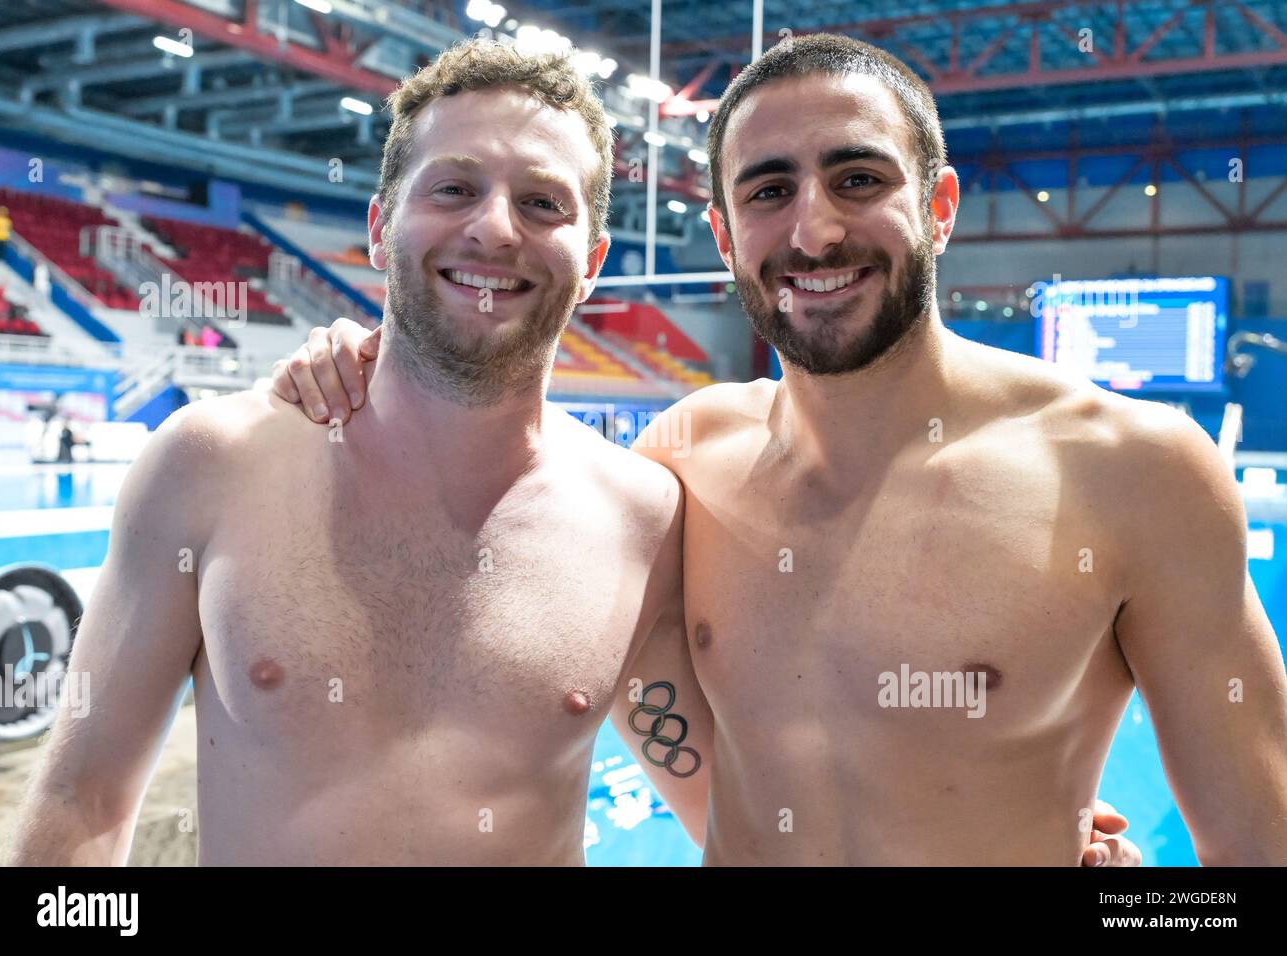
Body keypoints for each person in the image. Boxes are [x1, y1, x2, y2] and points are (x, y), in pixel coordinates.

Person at [271, 34, 1287, 865]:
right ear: (722, 234)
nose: (813, 231)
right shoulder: (680, 461)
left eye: (856, 179)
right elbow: (485, 469)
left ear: (936, 207)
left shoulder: (1131, 472)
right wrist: (364, 358)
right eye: (767, 191)